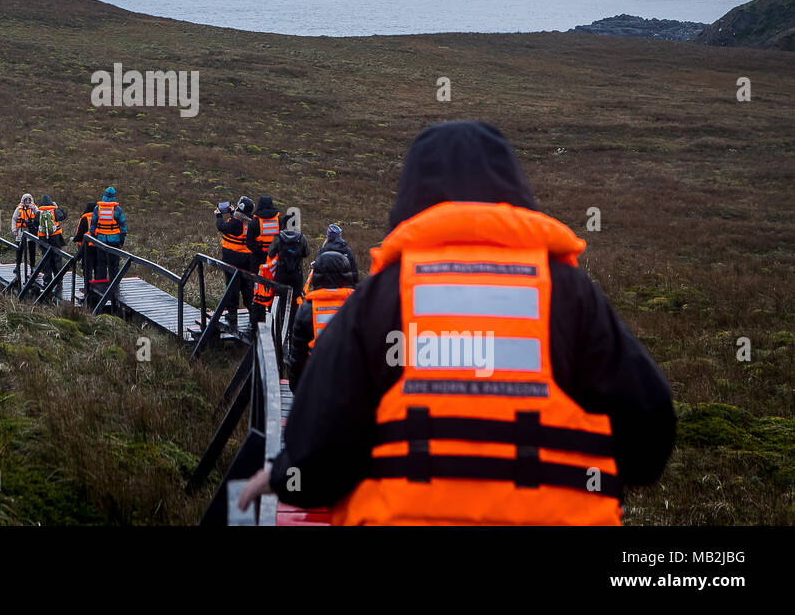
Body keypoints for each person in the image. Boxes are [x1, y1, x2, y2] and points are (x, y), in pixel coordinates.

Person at [239, 120, 676, 525]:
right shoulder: (572, 295)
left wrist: (282, 475)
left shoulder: (380, 298)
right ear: (514, 188)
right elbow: (649, 436)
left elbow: (318, 457)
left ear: (411, 193)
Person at [285, 250, 357, 390]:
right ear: (347, 275)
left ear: (317, 276)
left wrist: (296, 388)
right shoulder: (360, 305)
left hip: (317, 385)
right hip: (352, 386)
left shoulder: (306, 309)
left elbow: (297, 356)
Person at [215, 196, 254, 329]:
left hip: (232, 260)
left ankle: (232, 314)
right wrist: (232, 214)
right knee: (247, 287)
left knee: (233, 287)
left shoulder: (234, 222)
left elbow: (222, 227)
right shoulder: (252, 222)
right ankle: (252, 312)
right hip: (247, 260)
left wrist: (219, 216)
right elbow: (238, 224)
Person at [89, 187, 126, 304]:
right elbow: (123, 227)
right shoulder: (117, 210)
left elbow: (93, 225)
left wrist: (93, 237)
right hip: (114, 241)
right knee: (114, 264)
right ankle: (114, 287)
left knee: (101, 264)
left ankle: (100, 286)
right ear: (114, 197)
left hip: (101, 240)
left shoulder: (97, 208)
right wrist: (122, 240)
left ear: (104, 196)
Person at [35, 194, 67, 286]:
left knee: (46, 258)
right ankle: (58, 280)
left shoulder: (39, 212)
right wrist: (57, 207)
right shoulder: (54, 211)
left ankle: (47, 279)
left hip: (43, 238)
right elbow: (63, 216)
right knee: (57, 258)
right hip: (56, 237)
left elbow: (35, 222)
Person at [71, 200, 97, 303]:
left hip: (86, 248)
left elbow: (81, 234)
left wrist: (74, 239)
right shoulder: (98, 217)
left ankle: (88, 290)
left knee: (87, 270)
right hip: (98, 247)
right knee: (97, 268)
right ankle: (97, 290)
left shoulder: (85, 218)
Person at [11, 193, 39, 271]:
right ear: (23, 200)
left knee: (32, 249)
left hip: (31, 231)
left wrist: (33, 209)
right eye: (26, 200)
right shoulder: (19, 208)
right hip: (21, 231)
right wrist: (14, 230)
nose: (27, 201)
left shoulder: (34, 207)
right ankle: (17, 266)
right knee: (19, 249)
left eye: (29, 199)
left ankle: (32, 267)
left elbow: (39, 215)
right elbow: (14, 219)